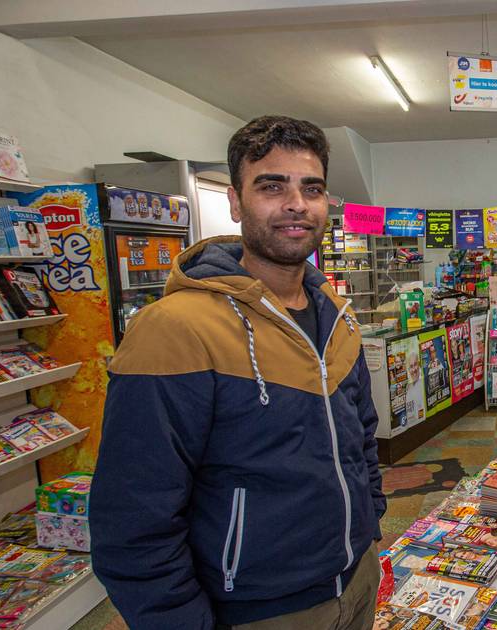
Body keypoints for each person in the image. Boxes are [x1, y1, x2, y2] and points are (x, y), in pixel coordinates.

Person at [90, 116, 385, 630]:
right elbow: (133, 516)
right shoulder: (175, 328)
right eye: (272, 186)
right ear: (234, 201)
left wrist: (371, 523)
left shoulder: (336, 313)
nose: (296, 203)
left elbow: (360, 435)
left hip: (356, 579)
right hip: (257, 610)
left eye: (310, 188)